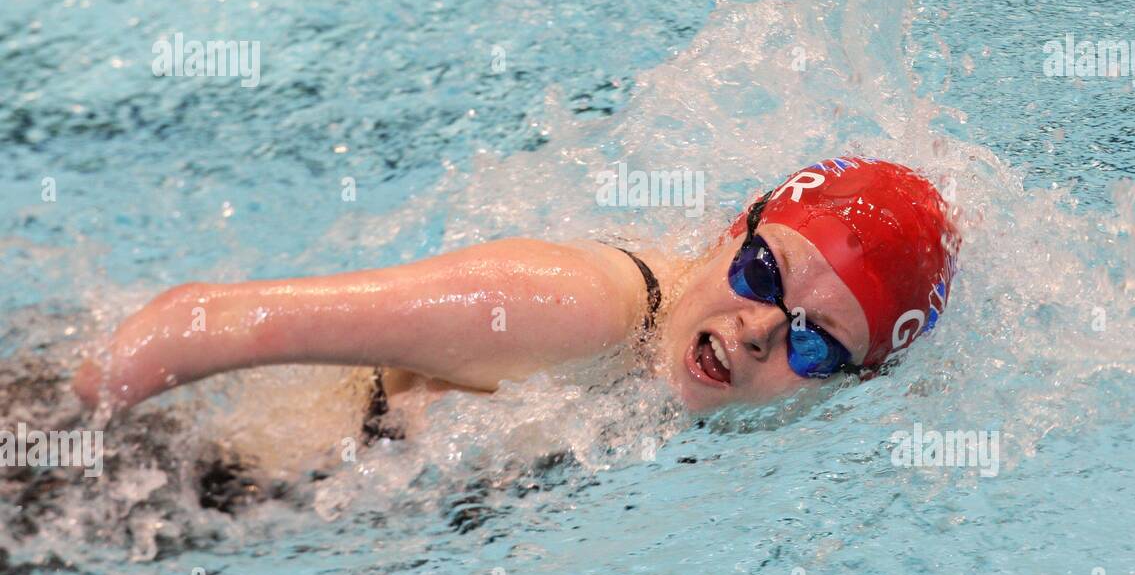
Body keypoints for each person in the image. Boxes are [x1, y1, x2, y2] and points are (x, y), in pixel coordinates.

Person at [73, 157, 959, 435]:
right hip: (137, 475)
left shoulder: (681, 402)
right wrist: (71, 421)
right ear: (733, 229)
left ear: (851, 383)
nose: (760, 329)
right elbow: (200, 318)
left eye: (814, 342)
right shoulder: (578, 307)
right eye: (763, 273)